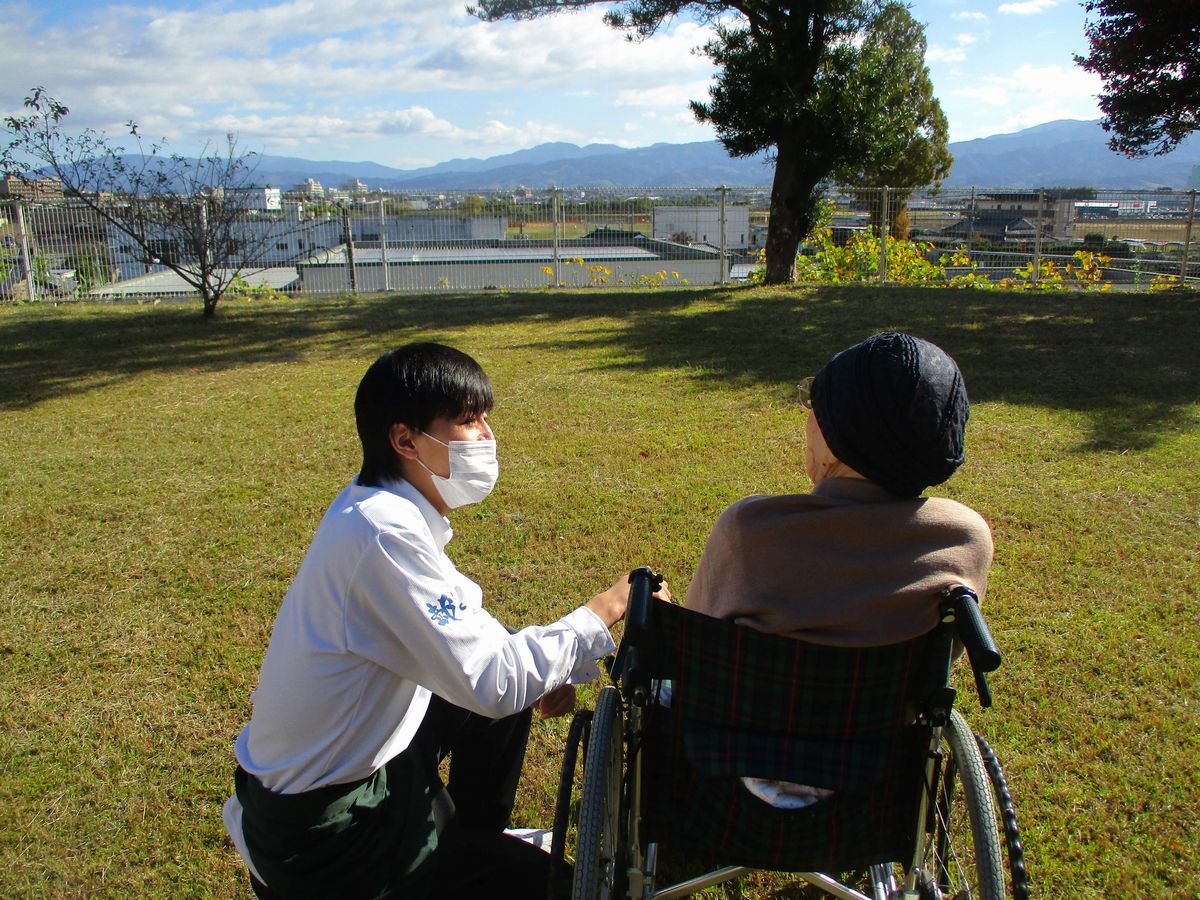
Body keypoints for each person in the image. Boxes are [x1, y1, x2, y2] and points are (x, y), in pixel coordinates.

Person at [223, 342, 666, 899]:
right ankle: (460, 863)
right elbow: (495, 679)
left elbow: (477, 654)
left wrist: (545, 674)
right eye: (467, 421)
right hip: (322, 841)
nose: (486, 437)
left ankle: (467, 842)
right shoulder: (383, 533)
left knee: (499, 694)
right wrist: (608, 609)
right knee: (549, 884)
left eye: (485, 419)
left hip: (333, 781)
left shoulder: (377, 508)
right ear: (405, 439)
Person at [685, 331, 992, 648]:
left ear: (836, 441)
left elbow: (691, 645)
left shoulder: (750, 532)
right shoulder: (964, 539)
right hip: (891, 699)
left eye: (816, 406)